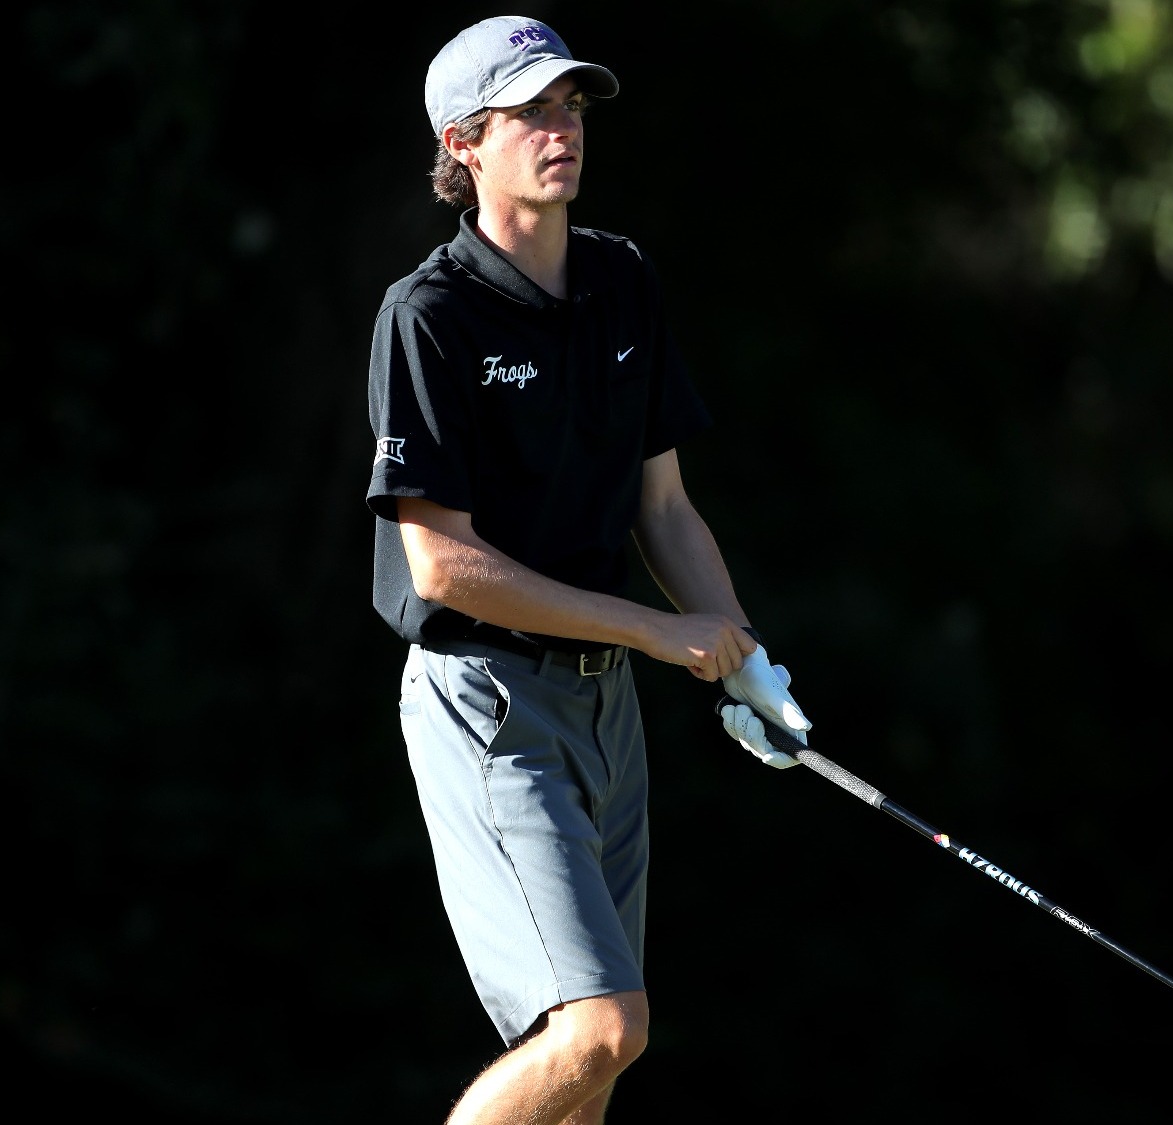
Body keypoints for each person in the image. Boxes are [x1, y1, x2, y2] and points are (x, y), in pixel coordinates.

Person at [364, 16, 814, 1124]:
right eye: (532, 111)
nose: (562, 129)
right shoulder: (428, 316)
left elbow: (663, 508)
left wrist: (746, 660)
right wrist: (661, 633)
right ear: (464, 142)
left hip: (602, 708)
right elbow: (442, 564)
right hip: (488, 703)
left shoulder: (620, 281)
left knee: (588, 1076)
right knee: (603, 1024)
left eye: (571, 107)